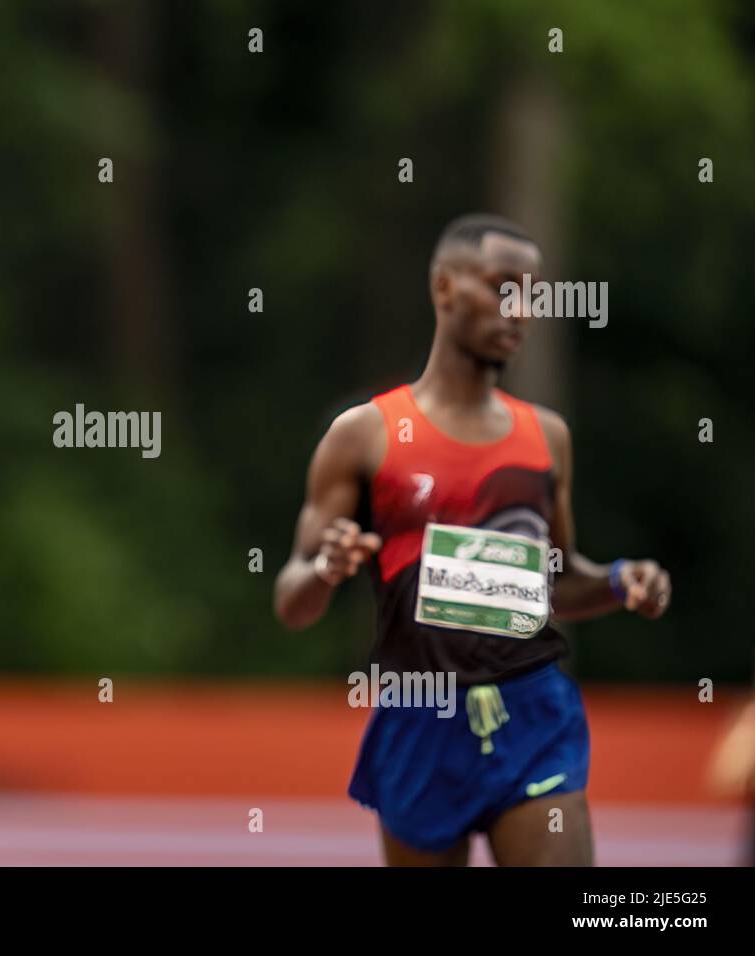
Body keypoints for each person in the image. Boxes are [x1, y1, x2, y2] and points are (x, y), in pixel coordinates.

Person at [274, 213, 670, 866]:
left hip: (531, 712)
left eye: (531, 295)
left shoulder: (547, 437)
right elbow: (292, 601)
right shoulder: (365, 434)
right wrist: (324, 567)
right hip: (420, 718)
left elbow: (558, 583)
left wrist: (622, 581)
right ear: (444, 289)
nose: (518, 308)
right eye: (500, 286)